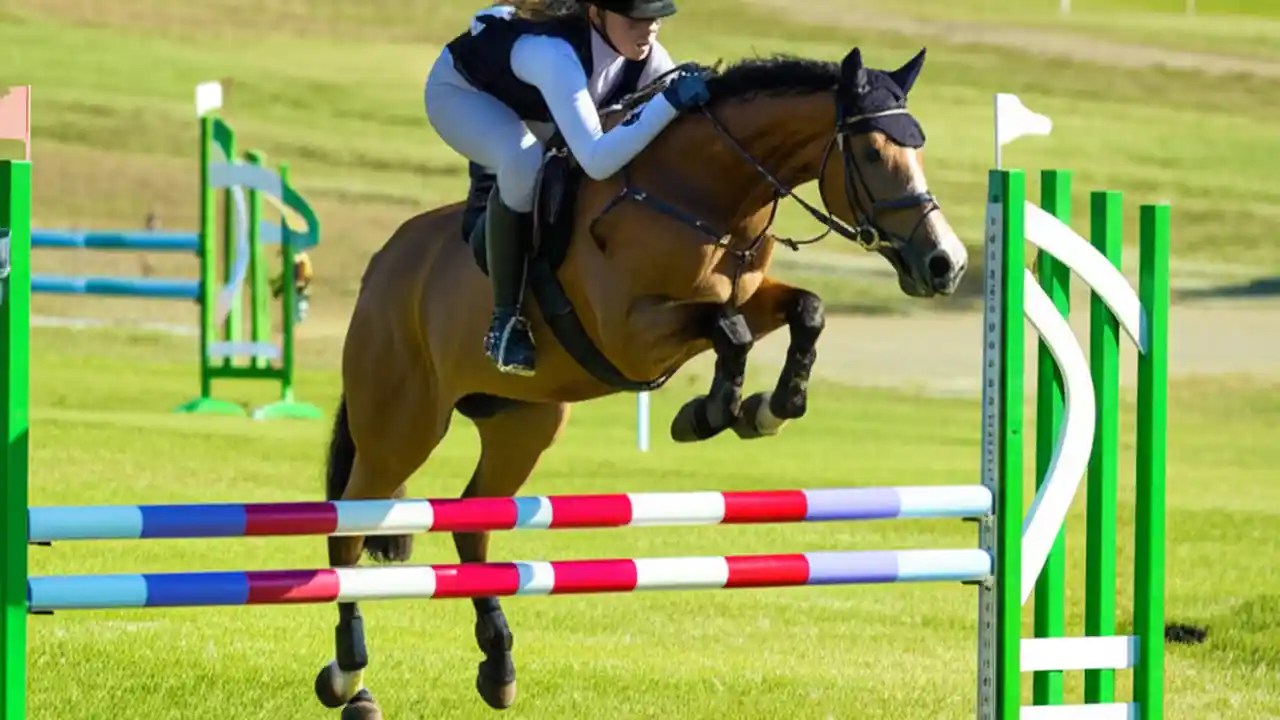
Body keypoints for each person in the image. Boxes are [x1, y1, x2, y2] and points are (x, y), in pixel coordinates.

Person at [424, 0, 711, 377]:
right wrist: (669, 102)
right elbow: (596, 158)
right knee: (522, 159)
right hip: (463, 96)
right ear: (597, 13)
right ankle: (505, 324)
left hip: (536, 109)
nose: (649, 28)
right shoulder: (553, 54)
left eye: (656, 18)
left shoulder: (647, 54)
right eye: (635, 18)